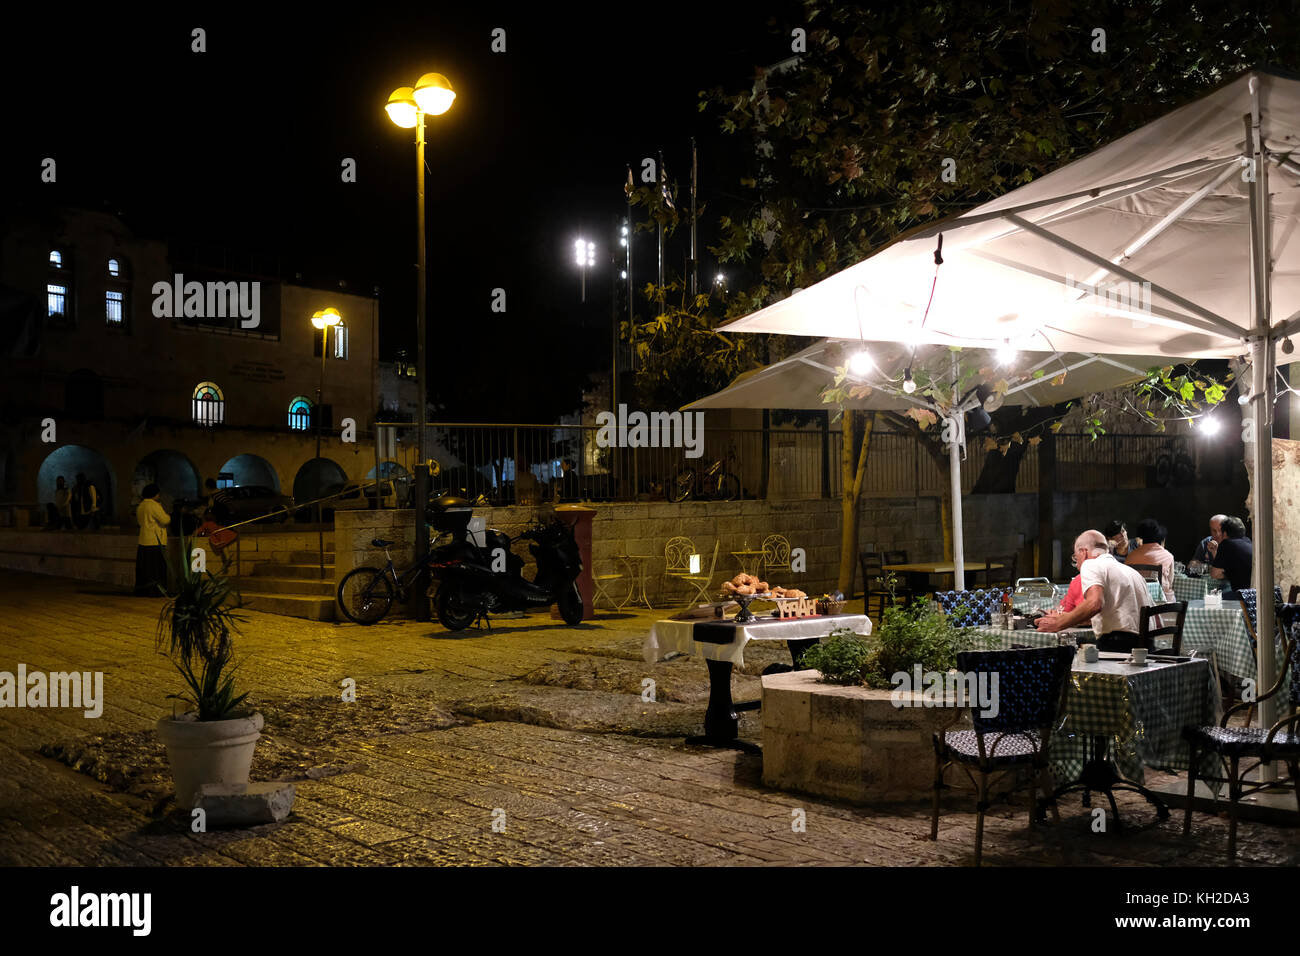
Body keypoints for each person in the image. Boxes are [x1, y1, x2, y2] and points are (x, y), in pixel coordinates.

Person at [1037, 529, 1154, 652]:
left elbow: (1095, 604)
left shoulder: (1091, 564)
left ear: (1083, 552)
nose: (1077, 565)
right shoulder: (1131, 572)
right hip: (1147, 646)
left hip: (1119, 644)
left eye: (1075, 557)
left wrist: (1058, 623)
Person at [1125, 518, 1175, 602]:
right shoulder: (1168, 556)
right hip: (1162, 603)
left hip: (1137, 601)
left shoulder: (1131, 556)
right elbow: (1170, 582)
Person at [134, 483, 170, 596]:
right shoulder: (153, 505)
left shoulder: (140, 506)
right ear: (155, 494)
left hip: (144, 540)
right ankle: (156, 591)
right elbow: (165, 520)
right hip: (155, 541)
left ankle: (144, 591)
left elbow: (140, 522)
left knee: (145, 569)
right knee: (156, 568)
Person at [1210, 515, 1252, 597]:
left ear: (1225, 533)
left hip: (1241, 594)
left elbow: (1215, 574)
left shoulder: (1226, 544)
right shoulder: (1248, 541)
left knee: (1213, 597)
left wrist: (1228, 572)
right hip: (1252, 593)